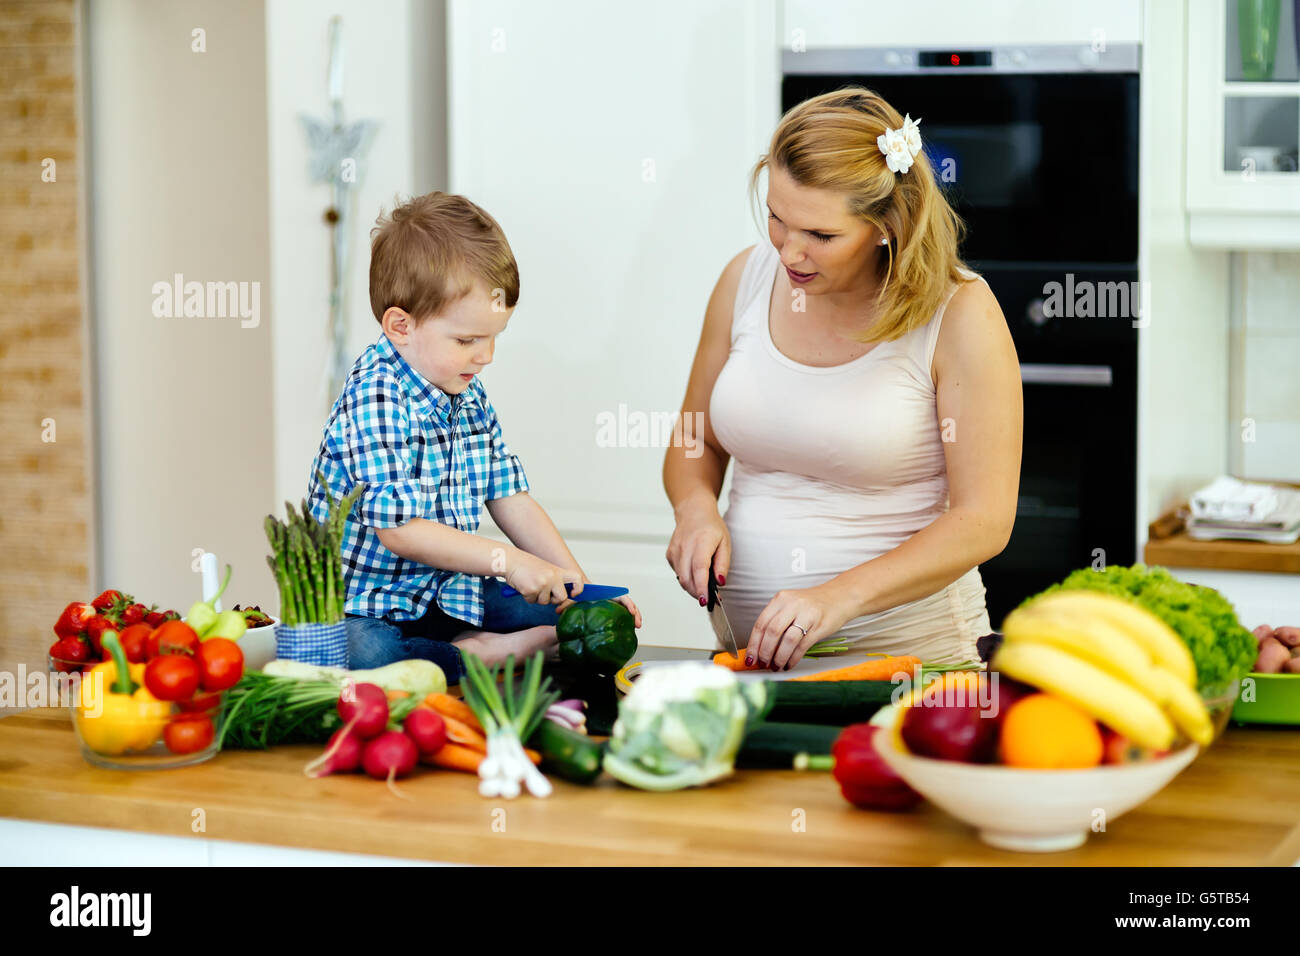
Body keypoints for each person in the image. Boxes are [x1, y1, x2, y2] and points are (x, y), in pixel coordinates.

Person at [663, 88, 1022, 672]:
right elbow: (693, 442)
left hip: (914, 667)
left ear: (887, 226)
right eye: (778, 219)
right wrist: (695, 508)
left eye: (821, 237)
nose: (789, 251)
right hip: (752, 664)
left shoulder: (959, 313)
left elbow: (985, 520)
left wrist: (837, 598)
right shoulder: (745, 279)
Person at [307, 192, 642, 682]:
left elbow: (510, 497)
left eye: (494, 338)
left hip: (448, 595)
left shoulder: (465, 389)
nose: (485, 357)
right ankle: (480, 657)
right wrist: (511, 563)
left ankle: (474, 646)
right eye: (467, 340)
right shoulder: (375, 397)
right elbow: (400, 530)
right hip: (366, 606)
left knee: (559, 615)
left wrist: (576, 587)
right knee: (365, 656)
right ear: (401, 326)